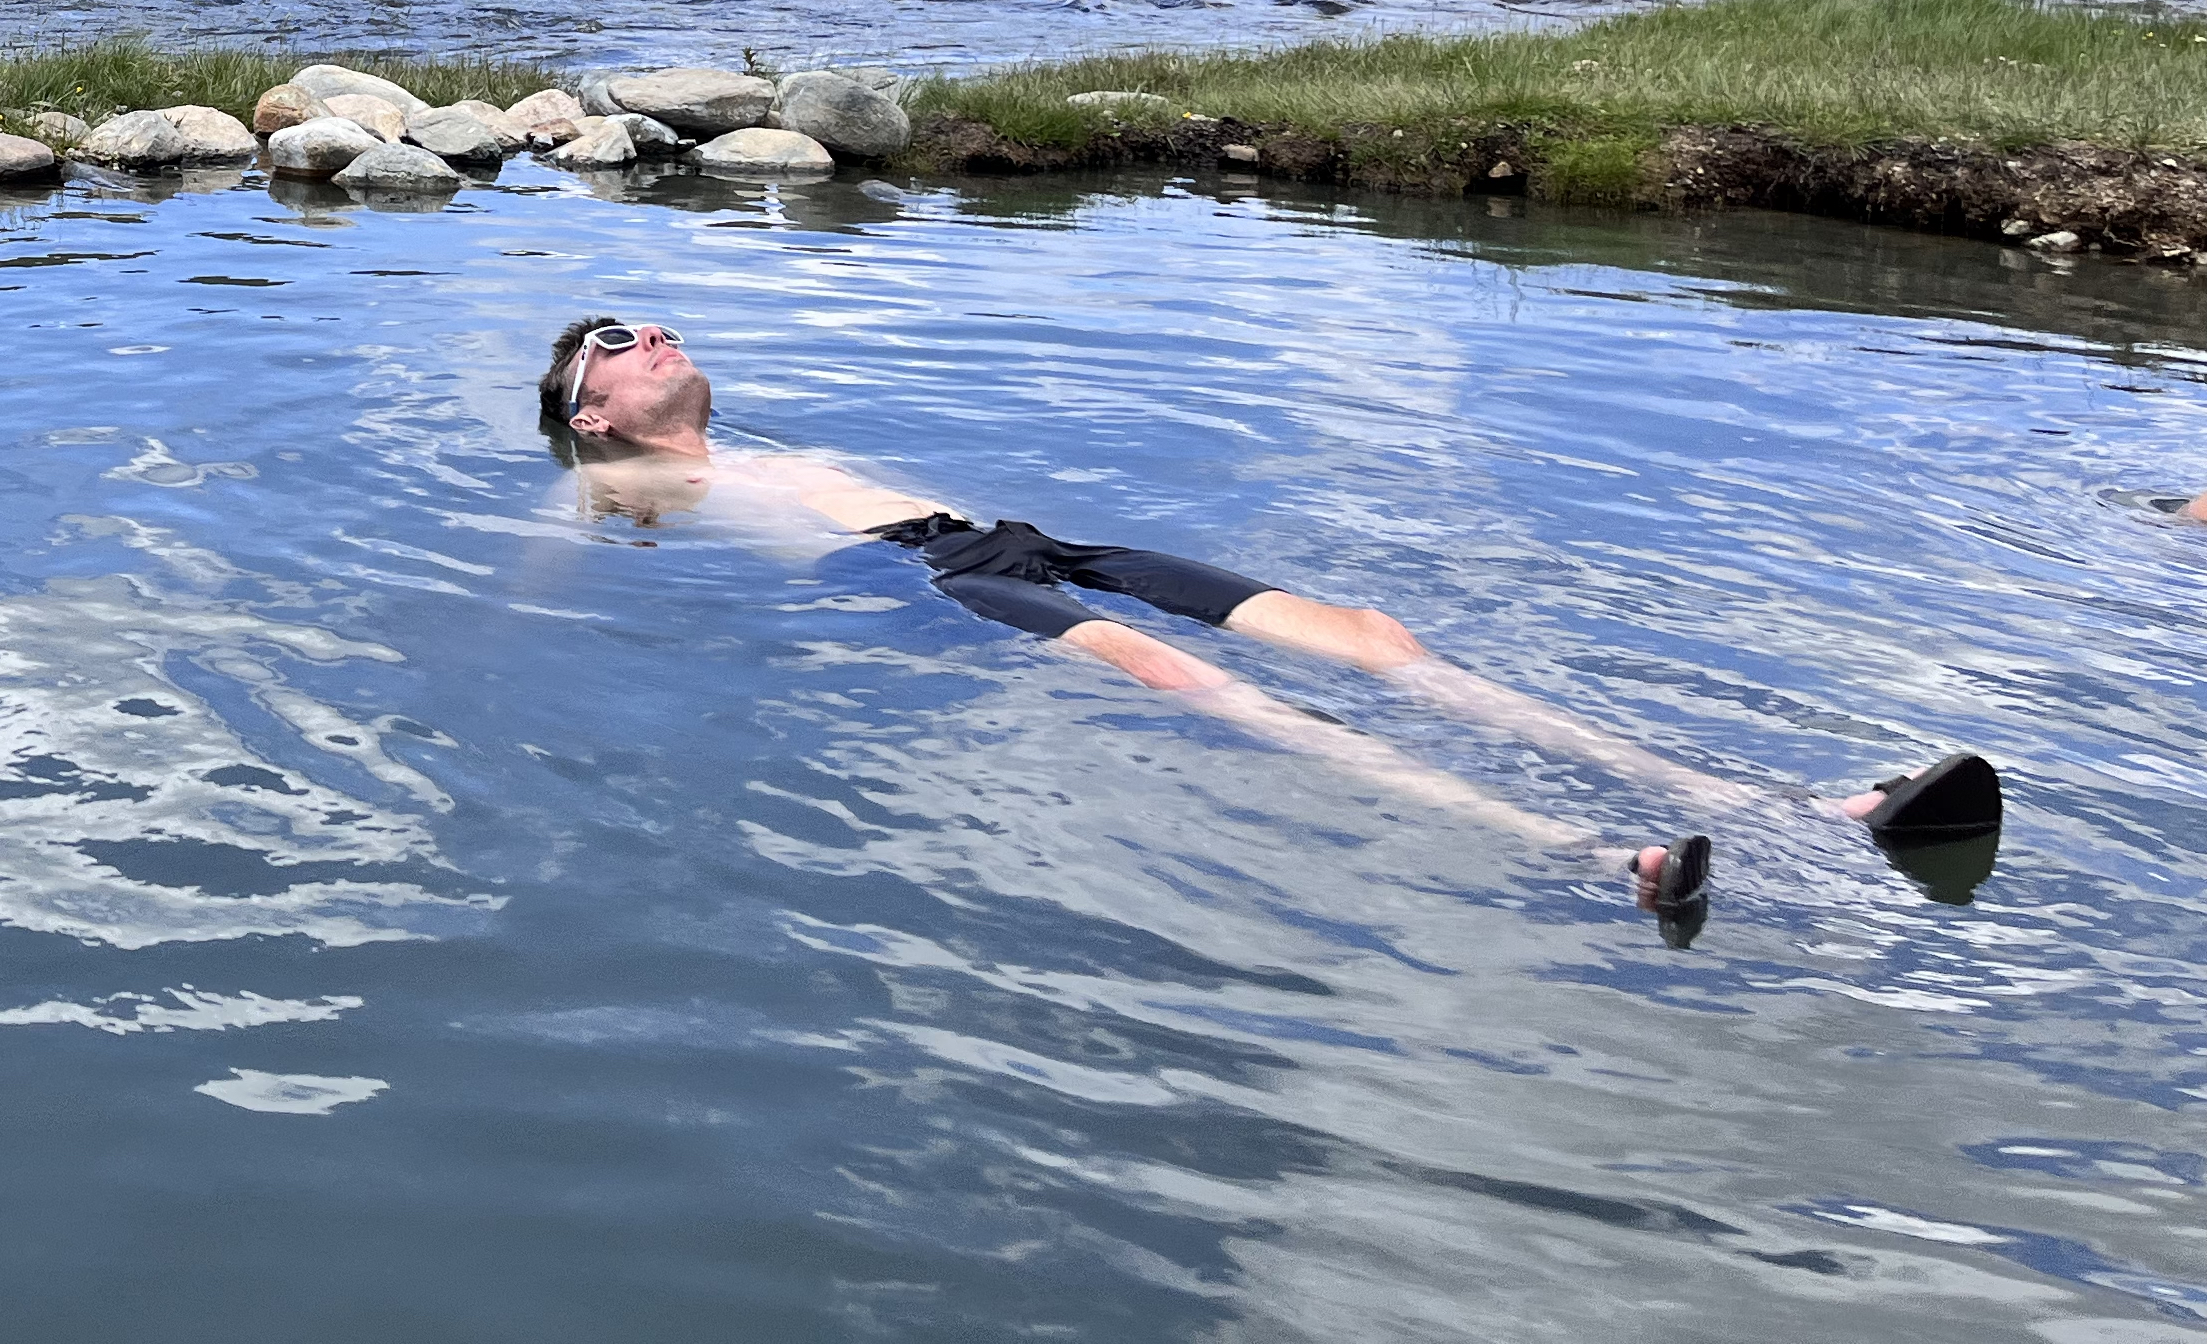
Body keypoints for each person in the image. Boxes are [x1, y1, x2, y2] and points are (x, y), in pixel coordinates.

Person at [539, 315, 2006, 938]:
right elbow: (527, 567)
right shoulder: (620, 490)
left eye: (653, 324)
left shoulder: (750, 448)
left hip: (1031, 539)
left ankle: (1803, 808)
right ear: (590, 411)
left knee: (1374, 637)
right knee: (1178, 675)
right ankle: (1594, 862)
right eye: (617, 341)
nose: (651, 335)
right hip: (924, 581)